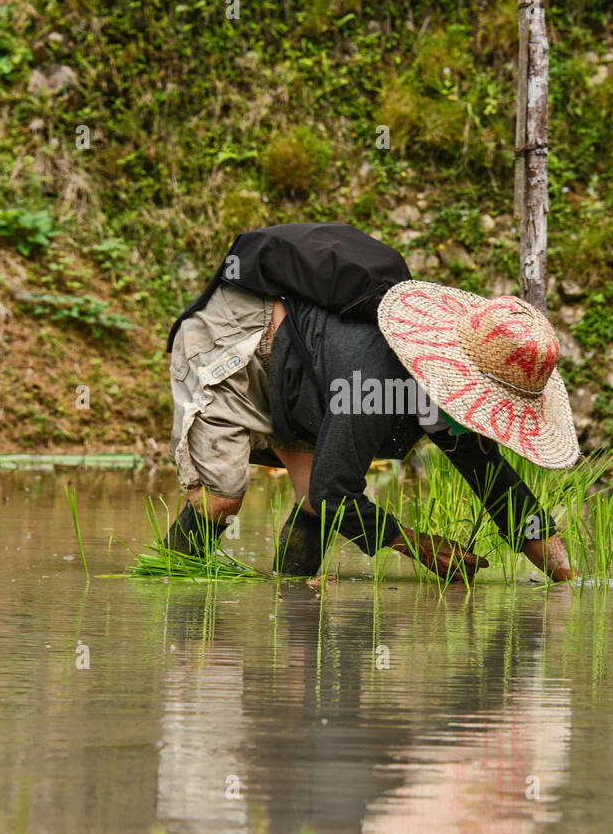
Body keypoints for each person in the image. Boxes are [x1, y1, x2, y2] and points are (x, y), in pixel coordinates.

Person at [165, 223, 580, 581]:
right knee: (223, 498)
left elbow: (495, 482)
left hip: (295, 359)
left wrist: (569, 580)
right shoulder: (379, 381)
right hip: (235, 334)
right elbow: (337, 493)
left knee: (312, 499)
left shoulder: (441, 398)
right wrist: (414, 544)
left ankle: (292, 609)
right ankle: (170, 591)